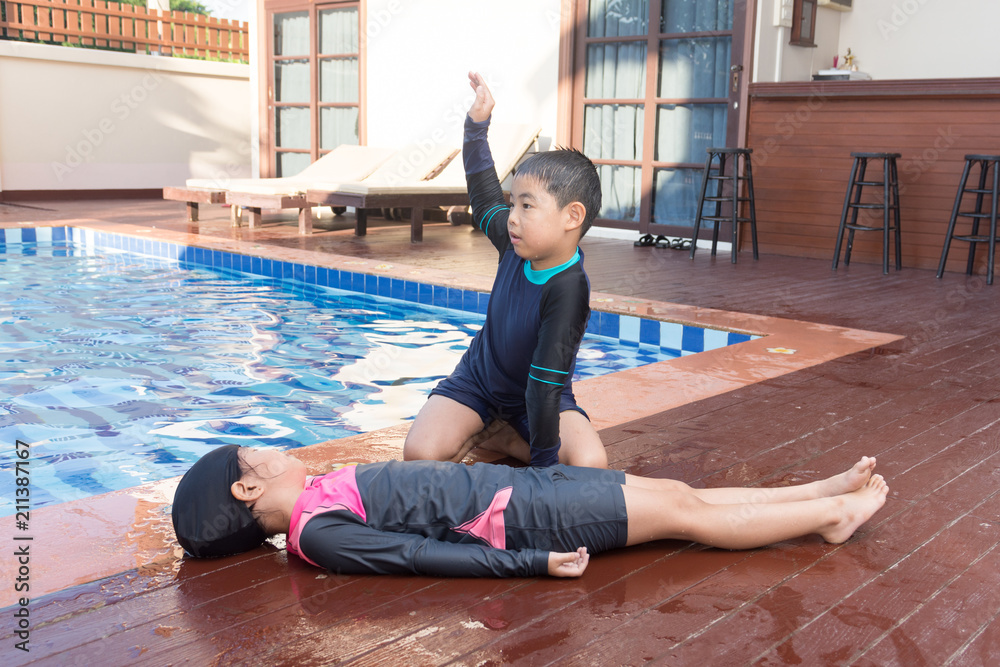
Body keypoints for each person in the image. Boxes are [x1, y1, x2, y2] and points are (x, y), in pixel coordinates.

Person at [171, 445, 890, 578]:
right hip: (531, 521)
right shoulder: (318, 535)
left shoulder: (321, 498)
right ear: (246, 488)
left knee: (676, 495)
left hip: (529, 492)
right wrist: (528, 564)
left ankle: (815, 494)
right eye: (255, 450)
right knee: (686, 514)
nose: (274, 446)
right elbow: (422, 557)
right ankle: (826, 517)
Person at [402, 72, 607, 469]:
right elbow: (483, 200)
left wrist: (545, 469)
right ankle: (495, 428)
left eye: (526, 206)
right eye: (513, 204)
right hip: (478, 382)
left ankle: (503, 435)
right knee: (420, 454)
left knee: (588, 464)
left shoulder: (569, 289)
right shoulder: (516, 245)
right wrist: (476, 127)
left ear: (572, 216)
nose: (511, 218)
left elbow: (545, 388)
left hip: (540, 401)